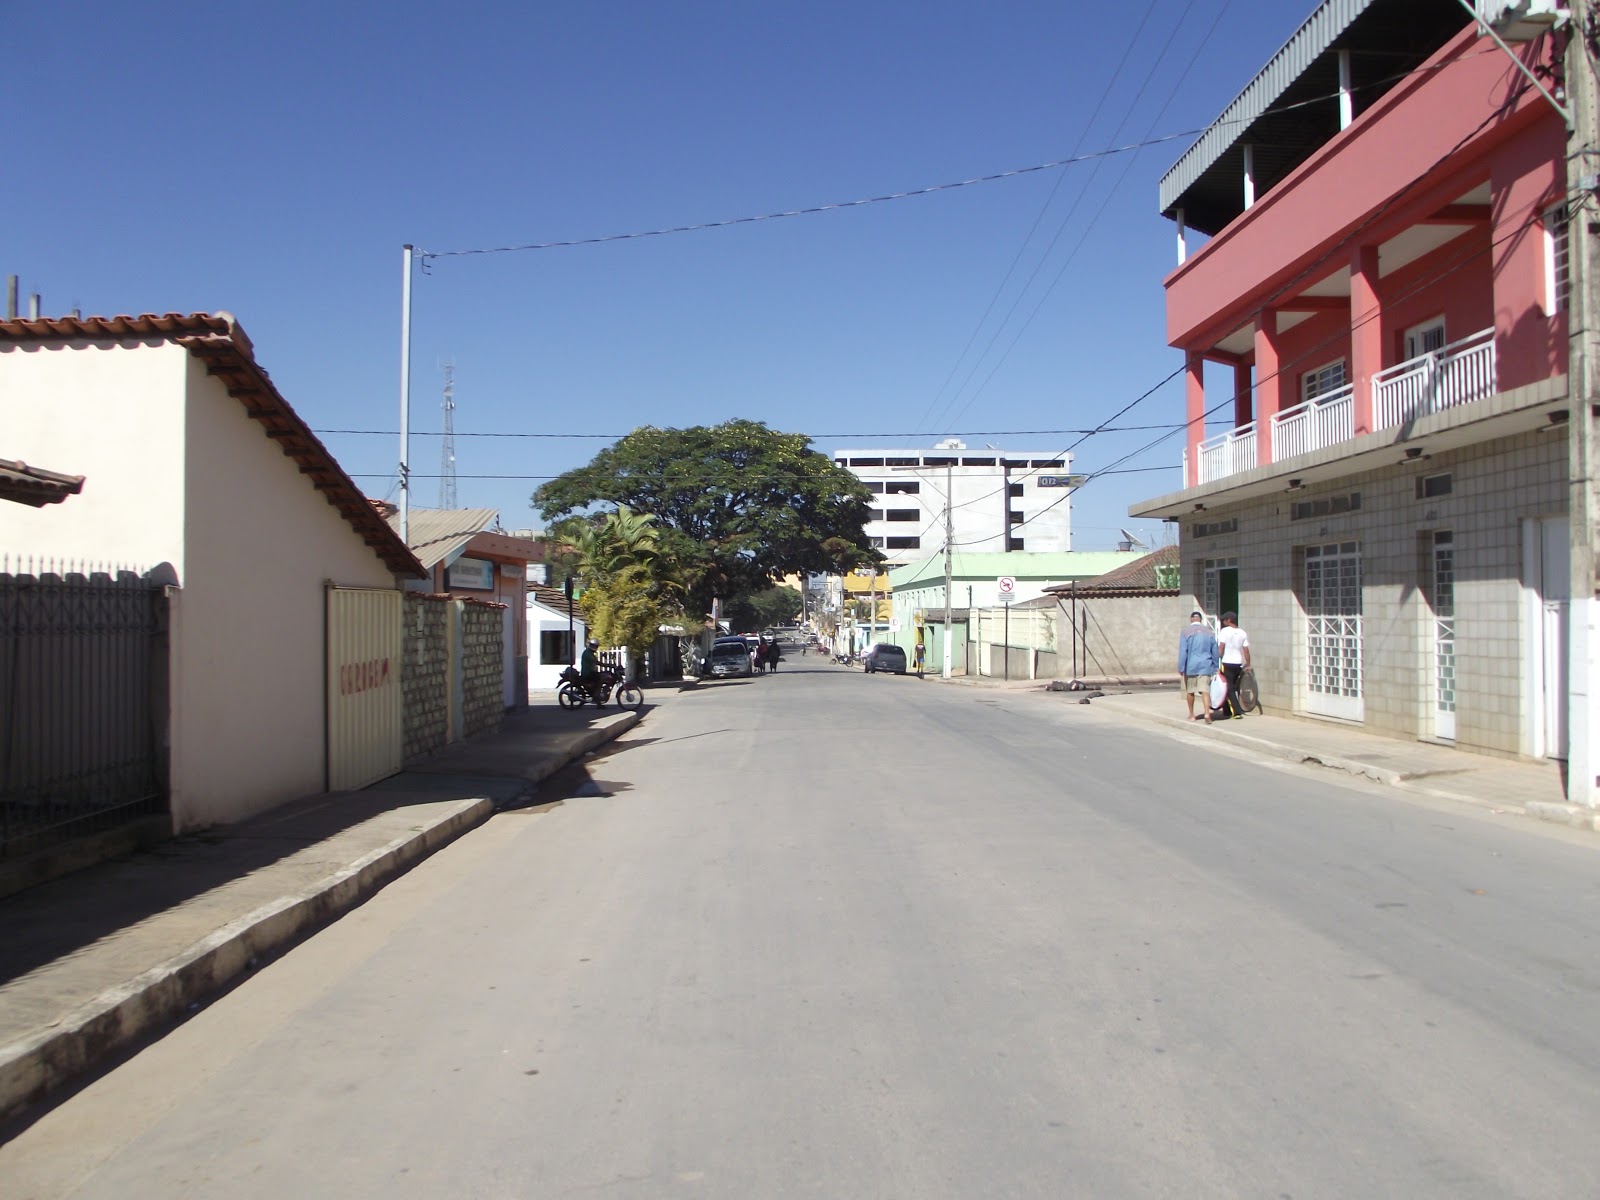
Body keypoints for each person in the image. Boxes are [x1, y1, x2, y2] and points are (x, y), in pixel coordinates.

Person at [1177, 609, 1219, 725]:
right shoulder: (1209, 632)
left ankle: (1191, 715)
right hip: (1205, 665)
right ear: (1200, 619)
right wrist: (1216, 666)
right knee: (1205, 690)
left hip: (1191, 666)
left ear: (1191, 619)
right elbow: (1215, 651)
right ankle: (1207, 714)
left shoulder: (1185, 632)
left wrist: (1181, 667)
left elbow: (1183, 651)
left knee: (1190, 691)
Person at [1214, 611, 1251, 720]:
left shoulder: (1224, 631)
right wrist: (1248, 664)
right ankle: (1226, 710)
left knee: (1228, 687)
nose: (1223, 622)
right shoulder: (1242, 633)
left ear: (1229, 620)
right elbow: (1246, 650)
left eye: (1224, 620)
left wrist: (1216, 662)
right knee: (1232, 687)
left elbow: (1221, 648)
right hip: (1238, 663)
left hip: (1227, 663)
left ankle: (1236, 711)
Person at [579, 637, 604, 703]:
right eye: (596, 646)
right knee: (600, 678)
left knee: (601, 676)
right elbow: (596, 662)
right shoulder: (587, 653)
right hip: (587, 673)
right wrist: (609, 665)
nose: (596, 647)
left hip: (590, 672)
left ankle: (597, 698)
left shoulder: (589, 653)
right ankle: (596, 696)